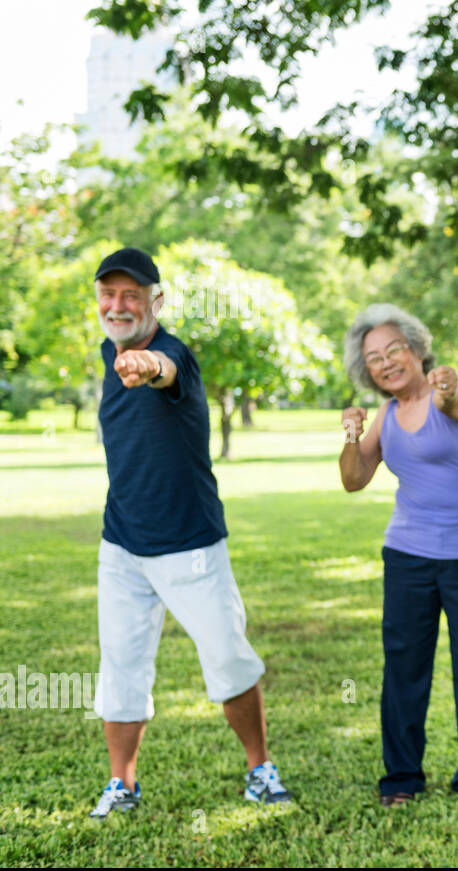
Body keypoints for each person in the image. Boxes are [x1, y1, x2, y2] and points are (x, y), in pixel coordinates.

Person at [89, 247, 292, 819]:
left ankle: (260, 768)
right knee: (122, 665)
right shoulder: (109, 349)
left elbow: (166, 371)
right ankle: (121, 785)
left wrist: (147, 366)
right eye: (109, 294)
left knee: (228, 656)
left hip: (191, 544)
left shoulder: (172, 353)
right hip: (122, 545)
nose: (119, 305)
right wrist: (127, 359)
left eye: (132, 295)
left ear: (156, 300)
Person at [339, 304, 458, 809]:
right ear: (365, 370)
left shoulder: (445, 398)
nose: (386, 362)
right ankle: (402, 777)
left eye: (395, 349)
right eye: (374, 358)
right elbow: (353, 479)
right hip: (407, 553)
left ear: (415, 349)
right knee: (404, 667)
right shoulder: (386, 416)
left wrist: (452, 387)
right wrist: (350, 435)